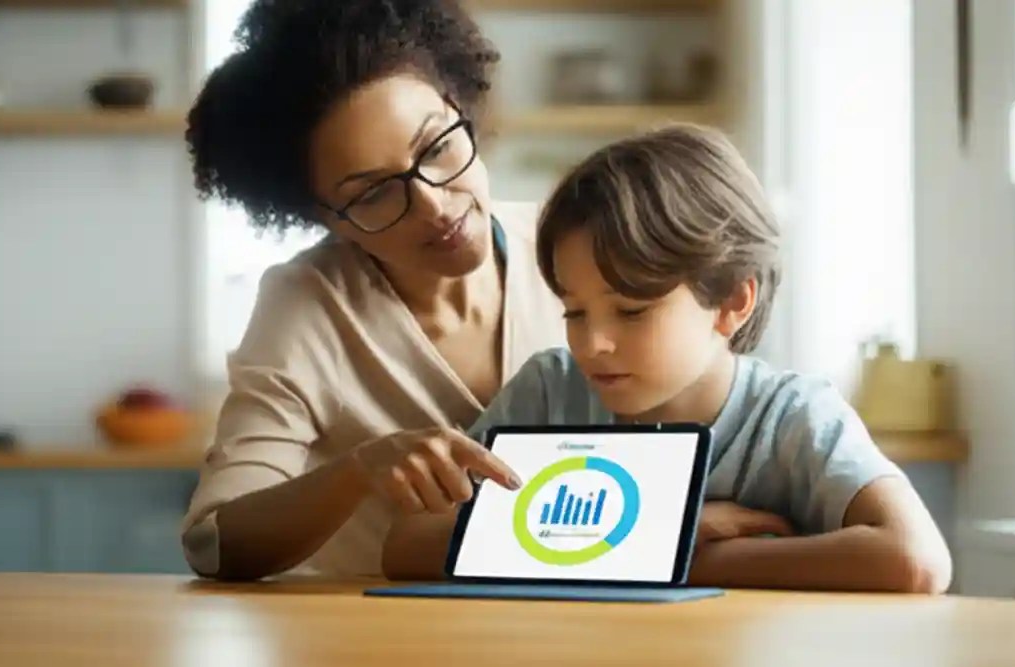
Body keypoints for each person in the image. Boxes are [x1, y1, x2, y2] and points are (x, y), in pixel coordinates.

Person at [384, 124, 954, 593]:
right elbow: (408, 546)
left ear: (731, 301)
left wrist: (676, 560)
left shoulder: (793, 418)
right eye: (574, 312)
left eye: (631, 311)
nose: (593, 344)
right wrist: (664, 537)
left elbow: (914, 560)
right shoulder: (550, 392)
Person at [181, 0, 564, 580]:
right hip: (376, 654)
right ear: (326, 217)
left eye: (437, 148)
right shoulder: (307, 305)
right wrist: (360, 470)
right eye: (374, 194)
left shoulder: (574, 245)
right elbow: (216, 542)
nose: (434, 204)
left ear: (463, 107)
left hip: (572, 637)